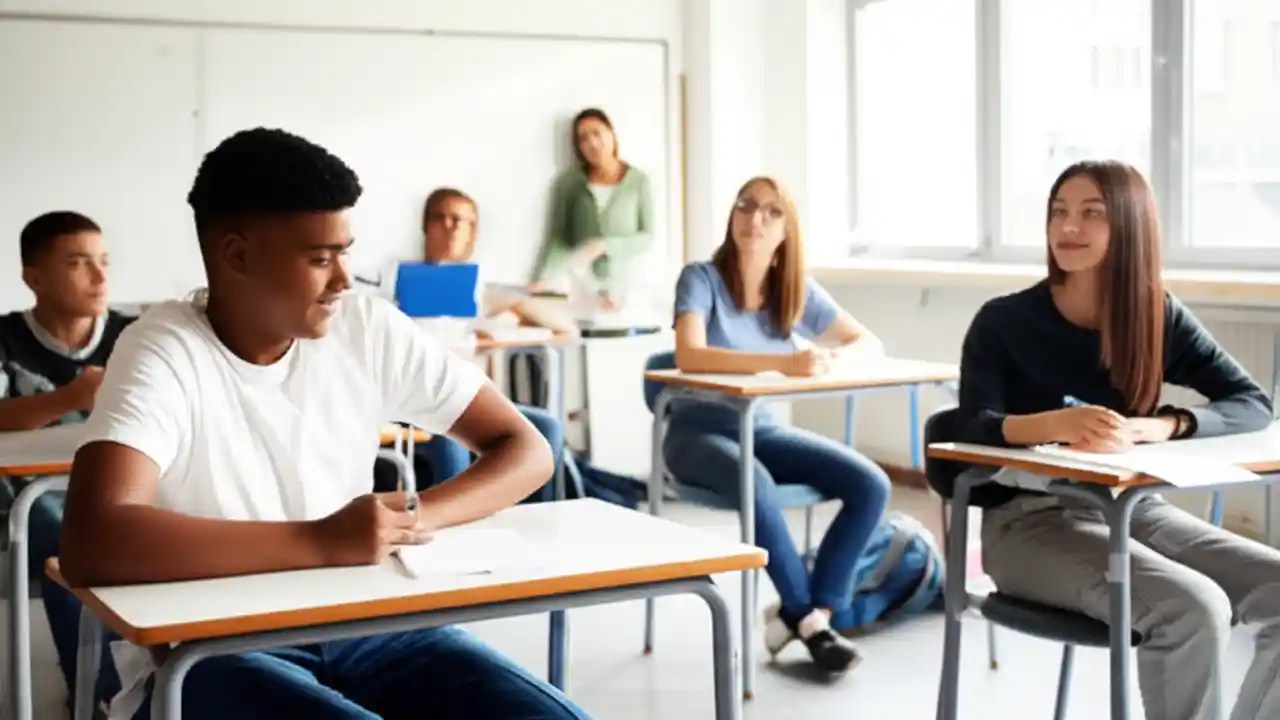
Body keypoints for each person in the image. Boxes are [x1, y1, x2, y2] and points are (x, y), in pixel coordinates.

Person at [59, 128, 591, 720]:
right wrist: (320, 541)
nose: (343, 279)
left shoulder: (364, 325)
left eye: (345, 252)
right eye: (319, 259)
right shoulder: (163, 349)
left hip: (367, 624)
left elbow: (525, 447)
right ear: (237, 256)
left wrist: (407, 521)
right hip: (212, 650)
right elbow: (91, 541)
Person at [957, 160, 1280, 720]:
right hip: (1026, 526)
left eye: (1090, 214)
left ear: (1129, 226)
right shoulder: (1003, 322)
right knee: (1195, 608)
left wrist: (1163, 425)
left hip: (1133, 511)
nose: (1068, 228)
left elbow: (1251, 403)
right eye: (1059, 212)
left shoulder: (1156, 314)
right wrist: (1049, 425)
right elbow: (962, 429)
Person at [665, 176, 891, 675]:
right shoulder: (700, 278)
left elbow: (867, 343)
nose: (754, 218)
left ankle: (815, 612)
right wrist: (787, 365)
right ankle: (808, 621)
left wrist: (828, 357)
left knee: (870, 483)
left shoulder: (793, 289)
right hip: (697, 433)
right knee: (757, 483)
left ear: (787, 229)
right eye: (745, 206)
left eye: (770, 212)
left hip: (761, 430)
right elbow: (689, 353)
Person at [0, 210, 129, 709]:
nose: (99, 278)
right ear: (33, 278)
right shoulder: (7, 338)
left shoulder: (131, 335)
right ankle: (95, 694)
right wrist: (71, 397)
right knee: (61, 529)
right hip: (30, 494)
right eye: (78, 263)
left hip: (119, 483)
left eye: (104, 262)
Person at [374, 187, 567, 502]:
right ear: (426, 226)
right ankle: (453, 530)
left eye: (460, 221)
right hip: (412, 401)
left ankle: (531, 525)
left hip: (462, 396)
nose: (450, 227)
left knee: (546, 428)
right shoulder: (392, 280)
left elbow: (565, 328)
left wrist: (515, 301)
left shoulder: (479, 291)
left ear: (473, 232)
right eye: (442, 218)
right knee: (451, 440)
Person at [533, 107, 653, 303]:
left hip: (627, 287)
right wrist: (544, 280)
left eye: (597, 133)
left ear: (612, 134)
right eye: (583, 138)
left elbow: (647, 236)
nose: (592, 143)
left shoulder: (639, 181)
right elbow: (559, 239)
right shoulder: (569, 184)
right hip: (582, 287)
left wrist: (605, 245)